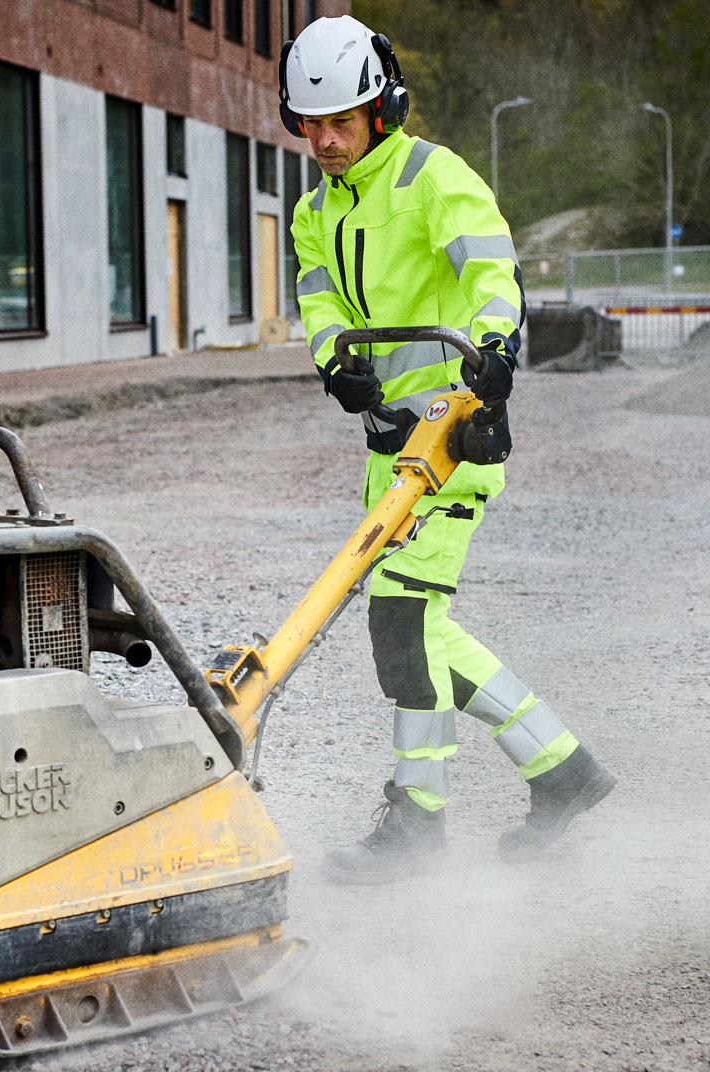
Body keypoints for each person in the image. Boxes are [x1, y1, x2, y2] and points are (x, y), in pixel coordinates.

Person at [281, 14, 616, 881]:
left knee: (401, 622)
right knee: (421, 625)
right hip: (387, 451)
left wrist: (497, 347)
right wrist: (334, 361)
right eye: (310, 124)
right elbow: (318, 300)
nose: (325, 141)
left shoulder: (434, 177)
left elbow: (490, 269)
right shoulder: (313, 211)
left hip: (452, 436)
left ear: (382, 110)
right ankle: (563, 769)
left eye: (341, 121)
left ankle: (418, 823)